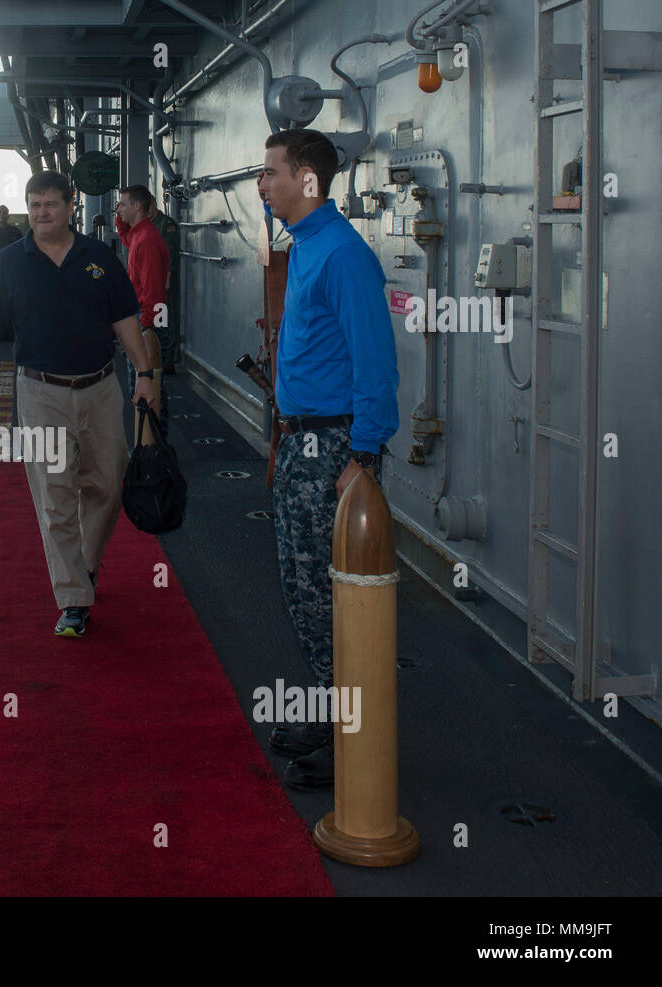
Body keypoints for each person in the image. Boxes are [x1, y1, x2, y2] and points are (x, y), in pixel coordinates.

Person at [255, 128, 399, 790]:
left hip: (334, 448)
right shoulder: (306, 245)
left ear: (306, 177)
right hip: (300, 443)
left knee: (332, 598)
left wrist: (364, 457)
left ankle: (355, 741)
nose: (261, 183)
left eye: (270, 172)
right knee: (304, 593)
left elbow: (376, 360)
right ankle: (333, 710)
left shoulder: (342, 254)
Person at [0, 170, 156, 637]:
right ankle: (72, 597)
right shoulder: (10, 262)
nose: (41, 213)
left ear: (71, 206)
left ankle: (85, 565)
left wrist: (144, 375)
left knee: (108, 485)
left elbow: (126, 319)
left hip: (101, 388)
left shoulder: (99, 258)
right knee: (55, 495)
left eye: (50, 204)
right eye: (34, 204)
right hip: (40, 391)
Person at [113, 185, 171, 438]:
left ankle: (152, 449)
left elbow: (154, 292)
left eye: (122, 204)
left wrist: (147, 330)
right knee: (146, 384)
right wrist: (119, 217)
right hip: (141, 319)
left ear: (137, 206)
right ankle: (148, 444)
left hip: (144, 321)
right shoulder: (140, 233)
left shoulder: (147, 240)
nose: (119, 208)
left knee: (146, 384)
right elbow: (125, 237)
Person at [149, 197, 181, 372]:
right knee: (158, 319)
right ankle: (160, 355)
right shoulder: (150, 224)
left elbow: (170, 252)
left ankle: (169, 359)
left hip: (164, 282)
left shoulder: (165, 224)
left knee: (166, 318)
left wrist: (167, 280)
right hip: (154, 281)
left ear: (154, 205)